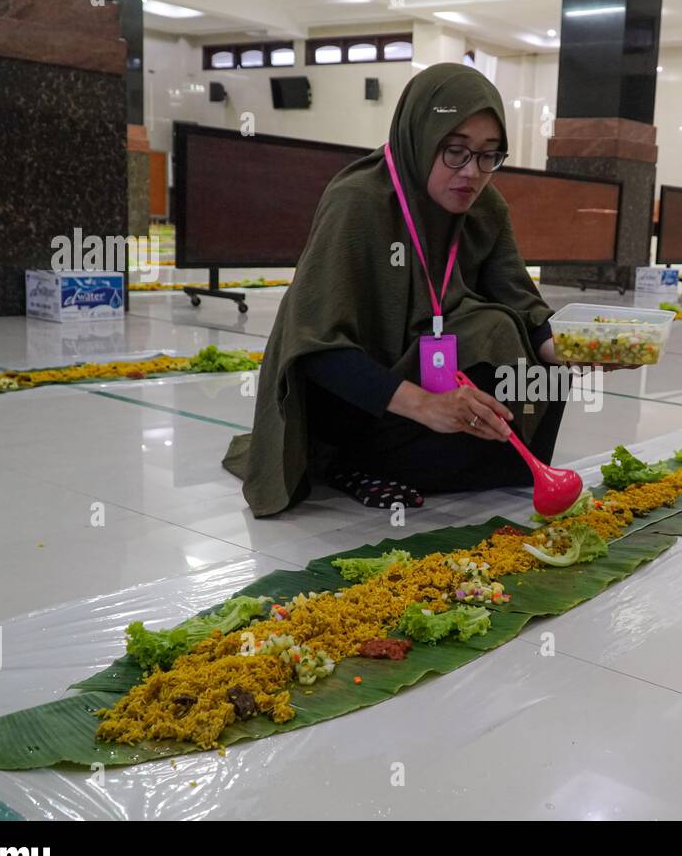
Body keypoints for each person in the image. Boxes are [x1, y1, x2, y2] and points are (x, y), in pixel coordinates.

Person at [222, 63, 621, 516]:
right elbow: (315, 347)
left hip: (439, 381)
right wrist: (426, 405)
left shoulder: (484, 206)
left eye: (489, 155)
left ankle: (448, 462)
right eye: (455, 151)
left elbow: (522, 305)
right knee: (488, 329)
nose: (472, 172)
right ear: (422, 137)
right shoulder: (360, 202)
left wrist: (572, 351)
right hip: (366, 400)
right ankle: (348, 460)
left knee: (535, 366)